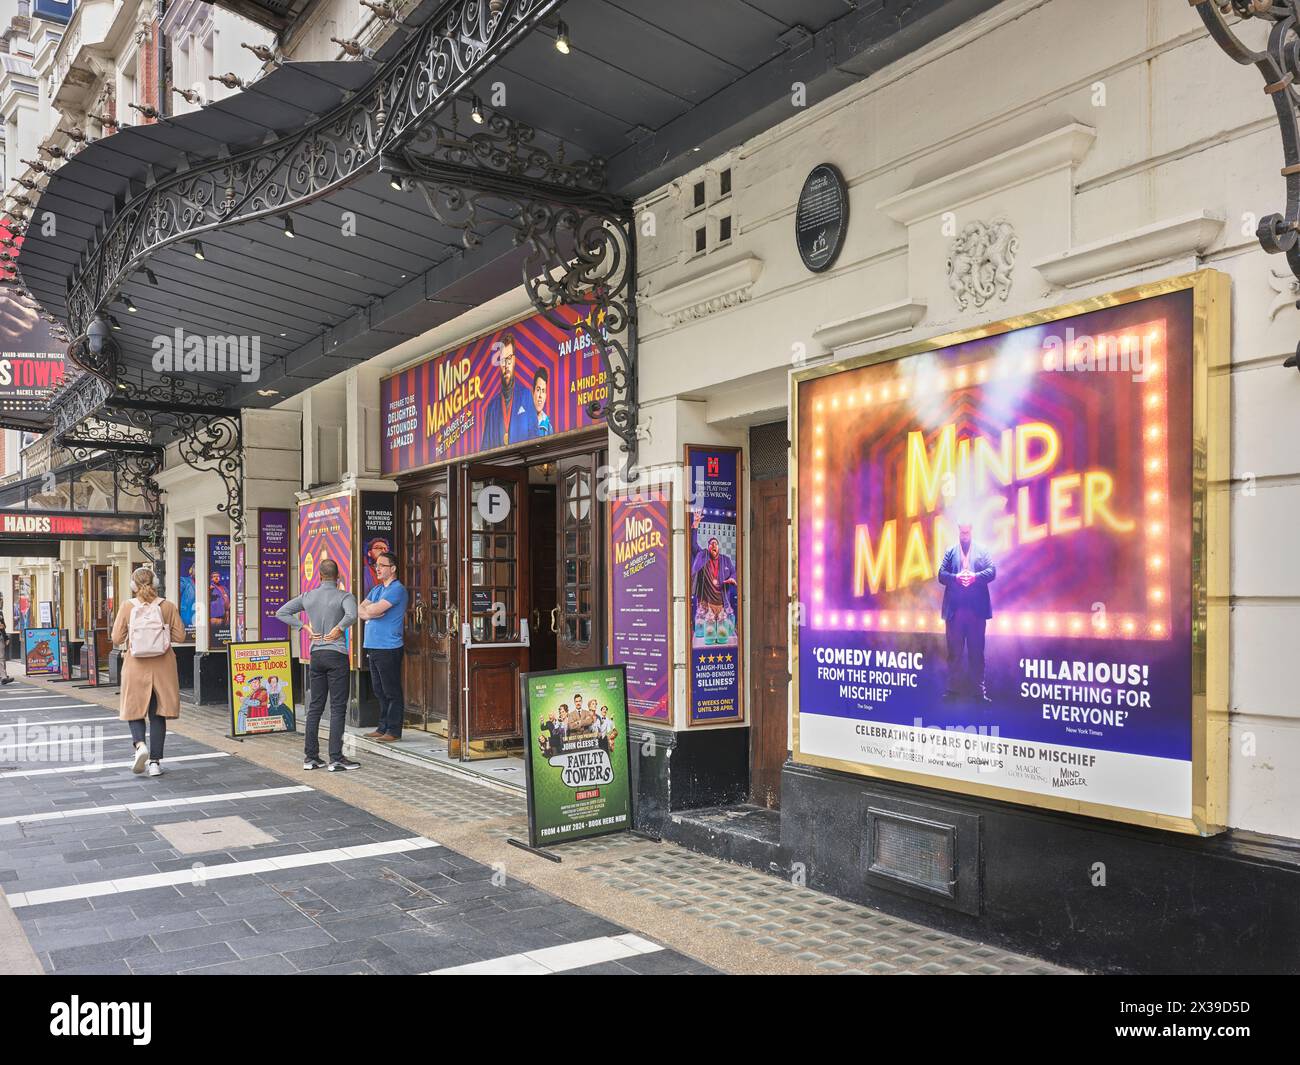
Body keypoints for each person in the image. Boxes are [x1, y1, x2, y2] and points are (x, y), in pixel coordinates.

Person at [276, 558, 359, 771]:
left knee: (315, 707)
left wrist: (304, 627)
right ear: (338, 577)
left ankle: (311, 757)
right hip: (336, 653)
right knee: (338, 707)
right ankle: (336, 758)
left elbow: (282, 612)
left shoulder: (308, 596)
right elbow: (352, 615)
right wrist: (339, 629)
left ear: (319, 576)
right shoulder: (345, 596)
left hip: (316, 655)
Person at [112, 568, 187, 777]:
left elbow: (117, 638)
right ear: (155, 583)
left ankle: (139, 745)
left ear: (133, 586)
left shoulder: (127, 607)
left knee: (134, 709)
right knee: (157, 714)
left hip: (135, 665)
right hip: (163, 666)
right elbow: (180, 637)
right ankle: (155, 762)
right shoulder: (168, 606)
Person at [937, 522, 997, 703]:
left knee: (976, 653)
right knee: (954, 653)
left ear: (971, 530)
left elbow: (992, 572)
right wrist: (956, 578)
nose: (964, 535)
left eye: (966, 532)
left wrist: (974, 577)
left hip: (976, 612)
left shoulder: (983, 550)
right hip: (955, 612)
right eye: (961, 532)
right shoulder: (950, 551)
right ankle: (952, 691)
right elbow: (940, 574)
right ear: (958, 531)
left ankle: (979, 693)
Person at [358, 550, 409, 742]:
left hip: (388, 647)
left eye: (382, 565)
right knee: (378, 689)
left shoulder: (397, 589)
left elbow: (374, 609)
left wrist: (370, 611)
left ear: (393, 568)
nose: (377, 568)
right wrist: (369, 611)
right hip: (373, 645)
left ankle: (394, 730)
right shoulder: (377, 590)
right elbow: (360, 610)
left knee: (391, 690)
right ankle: (382, 726)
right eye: (376, 565)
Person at [479, 331, 538, 451]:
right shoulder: (491, 407)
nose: (506, 364)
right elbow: (484, 450)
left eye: (509, 358)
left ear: (514, 360)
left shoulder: (526, 396)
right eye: (502, 360)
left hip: (523, 463)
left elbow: (535, 437)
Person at [690, 510, 738, 645]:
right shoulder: (702, 556)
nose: (713, 545)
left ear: (719, 547)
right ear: (708, 547)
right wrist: (696, 524)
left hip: (723, 603)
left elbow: (734, 573)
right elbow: (693, 545)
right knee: (706, 634)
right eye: (711, 544)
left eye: (715, 543)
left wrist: (733, 579)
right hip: (706, 603)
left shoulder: (726, 560)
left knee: (724, 633)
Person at [532, 366, 552, 435]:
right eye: (538, 390)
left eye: (543, 391)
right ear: (533, 392)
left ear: (546, 396)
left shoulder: (548, 427)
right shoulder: (523, 419)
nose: (540, 395)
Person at [0, 611, 11, 684]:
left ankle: (4, 676)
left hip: (1, 638)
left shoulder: (0, 613)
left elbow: (3, 626)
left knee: (2, 658)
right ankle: (3, 676)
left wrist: (6, 637)